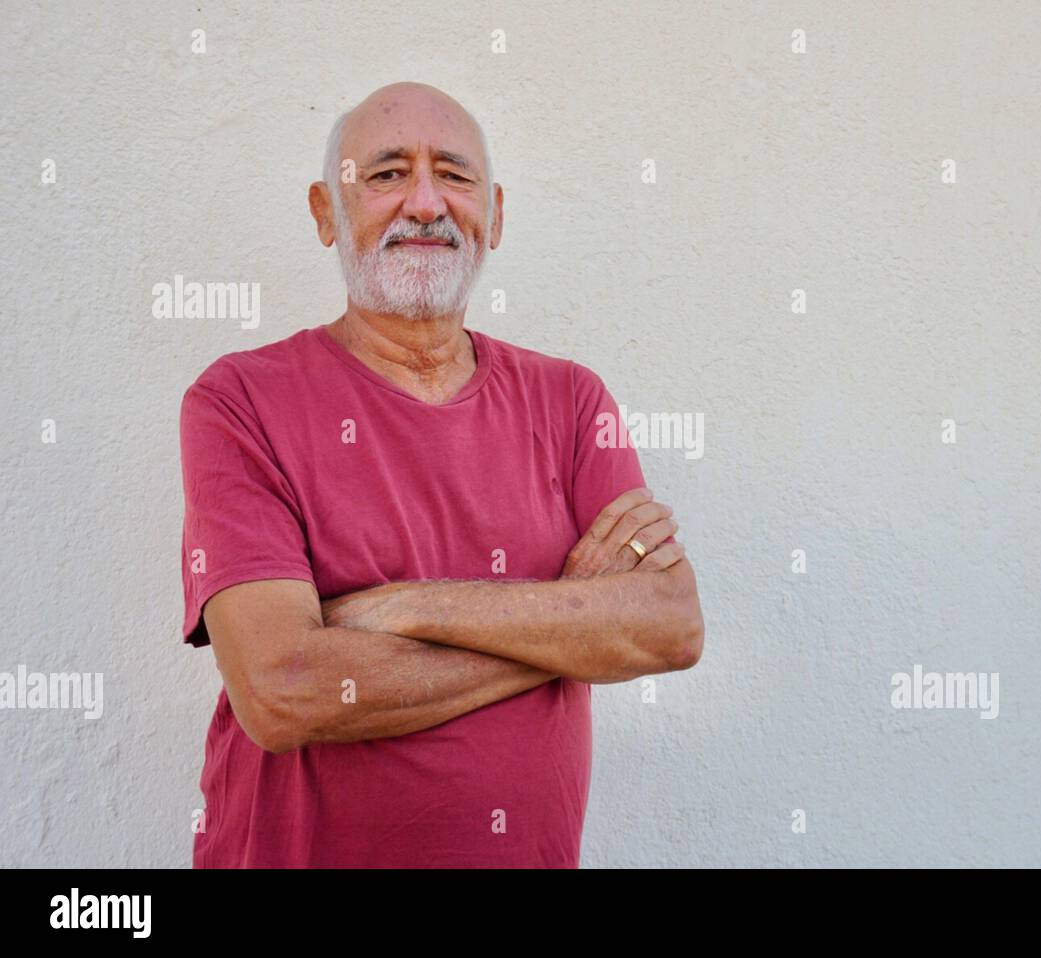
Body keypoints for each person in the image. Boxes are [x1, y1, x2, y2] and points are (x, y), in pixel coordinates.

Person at [178, 82, 704, 868]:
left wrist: (407, 608)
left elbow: (669, 624)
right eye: (386, 174)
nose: (425, 203)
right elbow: (283, 688)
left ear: (494, 214)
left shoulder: (570, 400)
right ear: (327, 212)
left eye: (454, 176)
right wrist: (570, 627)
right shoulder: (240, 400)